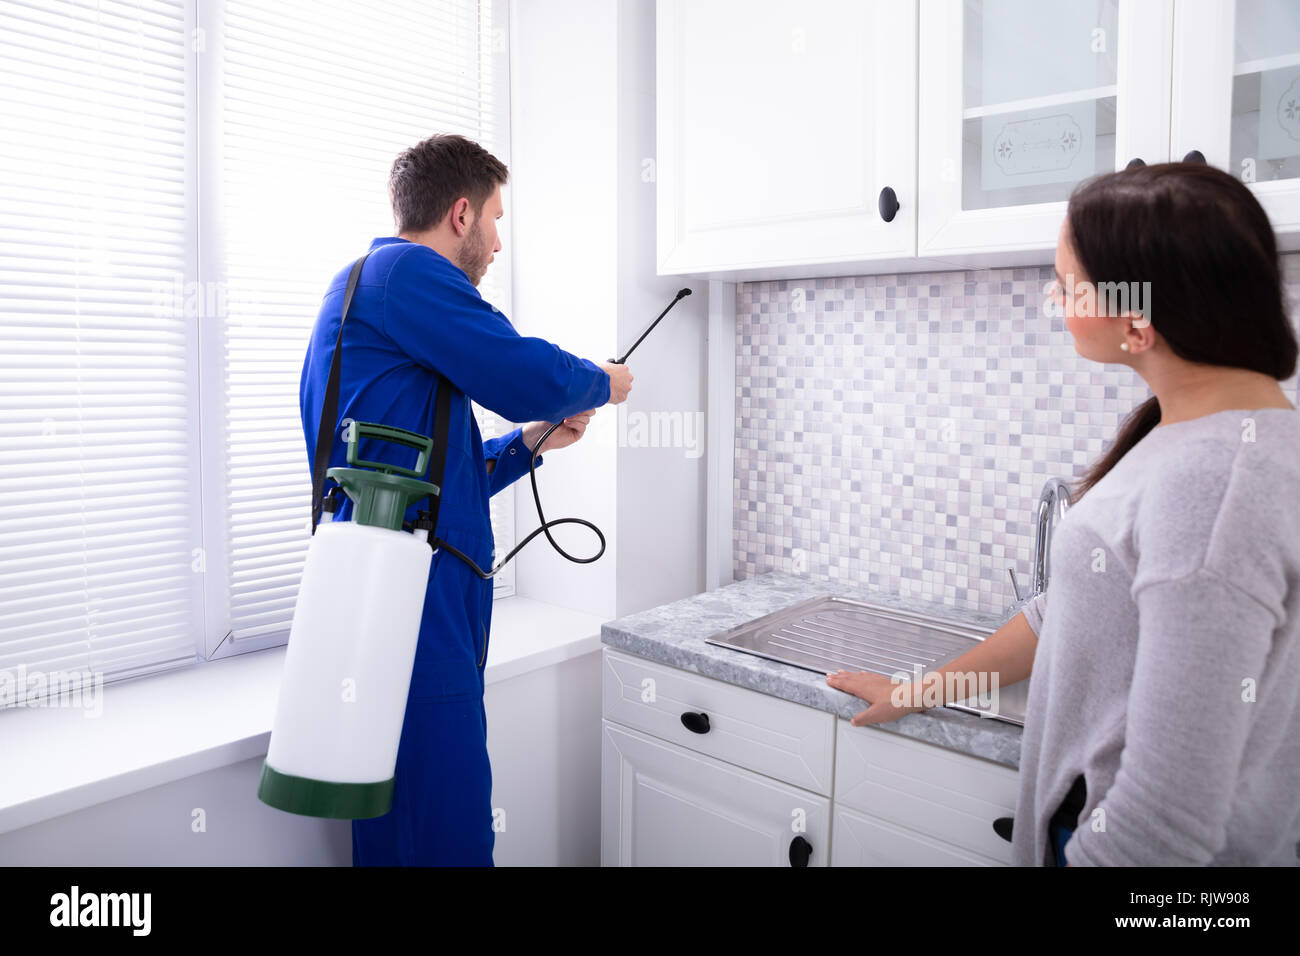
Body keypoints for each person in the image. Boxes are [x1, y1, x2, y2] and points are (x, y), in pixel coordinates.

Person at [827, 162, 1300, 866]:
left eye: (1069, 283)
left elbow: (1162, 827)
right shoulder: (1213, 436)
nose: (1055, 296)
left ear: (1137, 319)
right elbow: (1071, 613)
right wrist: (921, 691)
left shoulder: (1214, 484)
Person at [299, 133, 634, 865]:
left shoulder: (363, 293)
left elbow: (417, 479)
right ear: (461, 215)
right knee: (450, 835)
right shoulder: (407, 276)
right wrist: (601, 382)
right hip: (418, 609)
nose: (498, 242)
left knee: (395, 831)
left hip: (385, 594)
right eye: (496, 220)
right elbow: (518, 370)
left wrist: (528, 445)